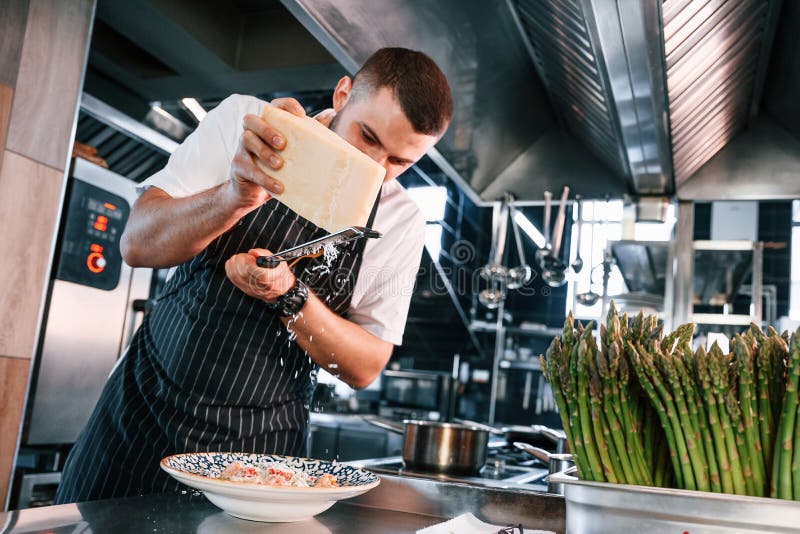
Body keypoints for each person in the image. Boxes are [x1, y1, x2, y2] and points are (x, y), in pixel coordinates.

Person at [55, 47, 453, 502]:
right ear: (343, 95)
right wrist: (233, 198)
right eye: (367, 137)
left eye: (399, 161)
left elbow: (365, 367)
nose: (376, 169)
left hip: (260, 459)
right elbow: (136, 245)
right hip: (139, 424)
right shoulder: (249, 125)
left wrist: (289, 295)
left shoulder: (400, 220)